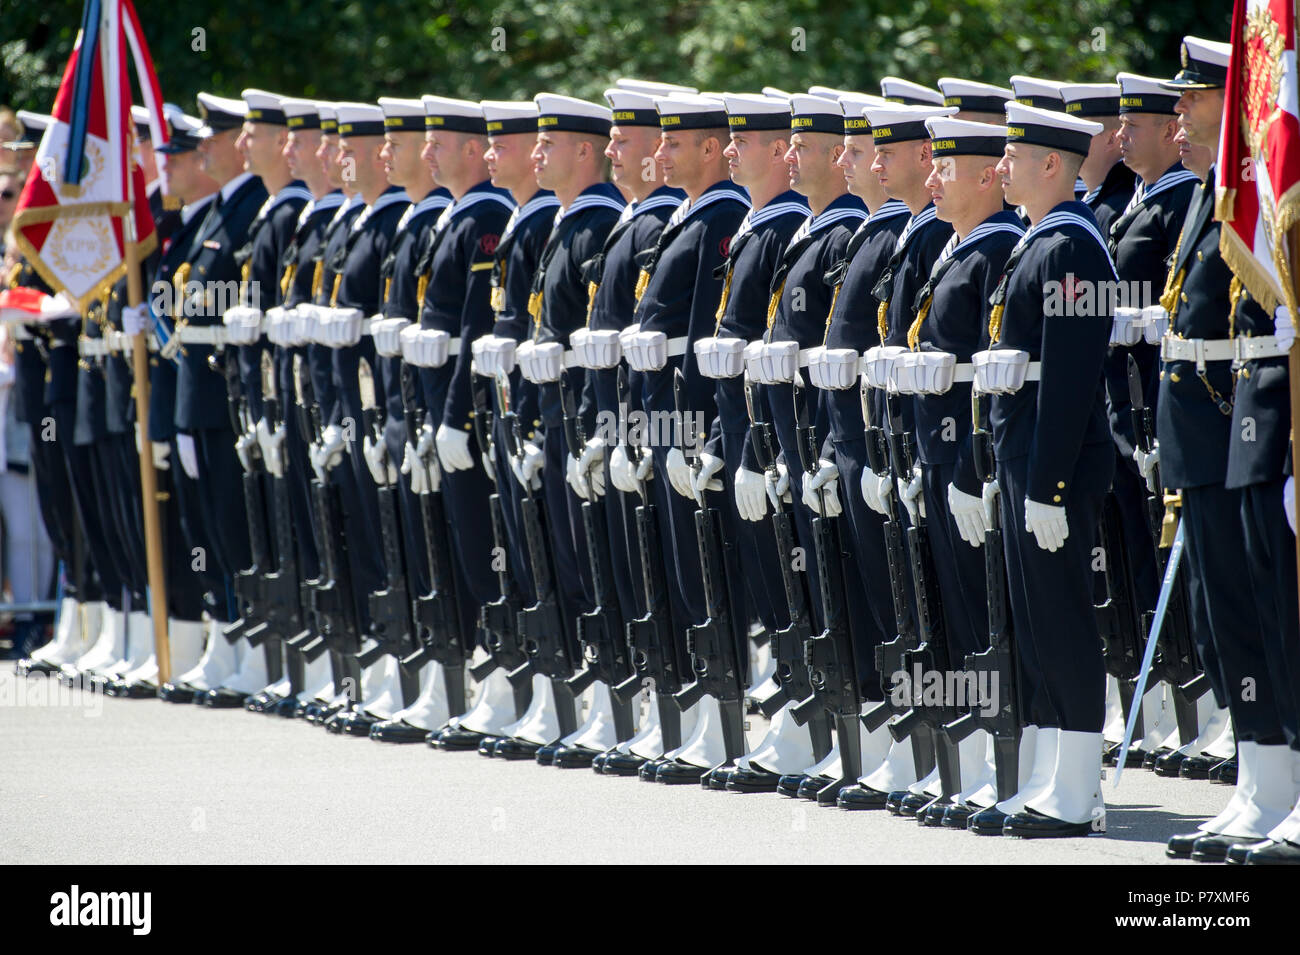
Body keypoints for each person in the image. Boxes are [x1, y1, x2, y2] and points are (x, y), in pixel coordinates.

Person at [1151, 36, 1300, 864]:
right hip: (1223, 422)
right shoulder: (1213, 193)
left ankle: (1282, 781)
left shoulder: (1263, 189)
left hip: (1251, 418)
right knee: (1232, 623)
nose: (1180, 111)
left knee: (1271, 612)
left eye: (1196, 96)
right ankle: (1262, 780)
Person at [966, 101, 1116, 839]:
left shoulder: (1072, 248)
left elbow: (1070, 376)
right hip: (1024, 454)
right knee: (1034, 625)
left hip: (1054, 462)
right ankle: (1048, 780)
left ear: (1051, 164)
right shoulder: (1039, 242)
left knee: (1061, 619)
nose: (1001, 168)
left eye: (1014, 157)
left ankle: (1078, 790)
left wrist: (1050, 484)